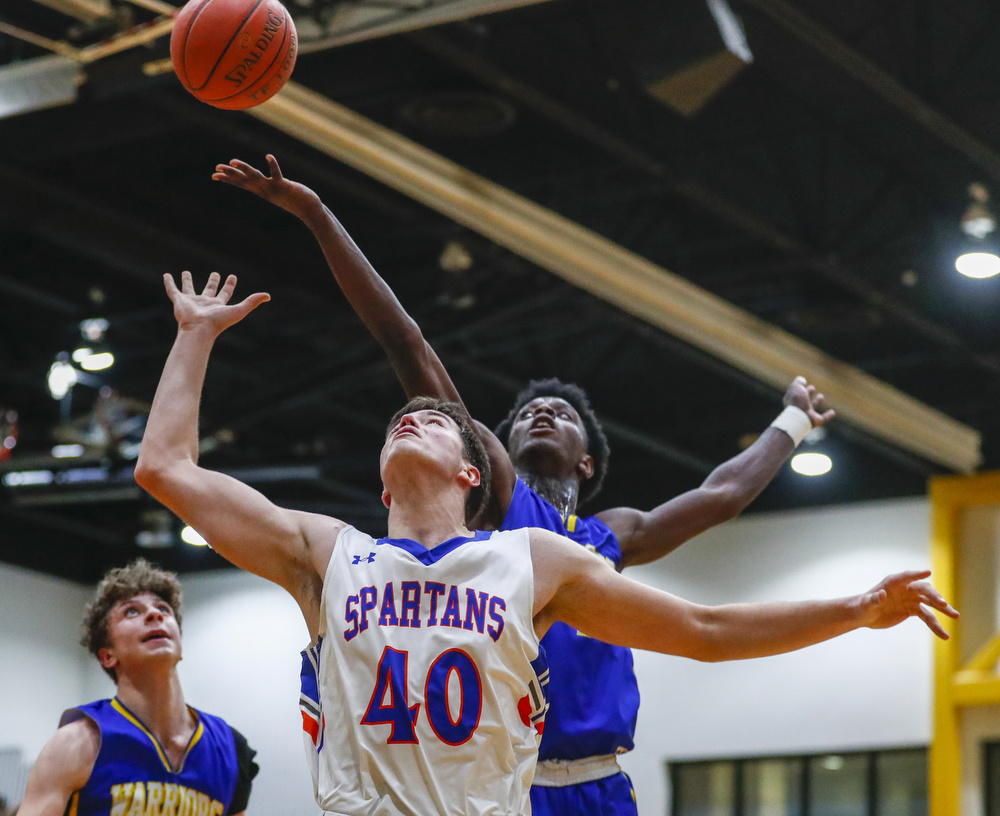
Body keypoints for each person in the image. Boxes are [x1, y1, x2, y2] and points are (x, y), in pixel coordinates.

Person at [134, 271, 955, 816]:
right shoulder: (328, 552)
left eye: (433, 421)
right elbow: (165, 468)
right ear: (384, 483)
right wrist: (196, 335)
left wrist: (856, 609)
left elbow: (705, 632)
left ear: (470, 475)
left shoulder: (534, 559)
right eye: (398, 422)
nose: (411, 417)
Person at [212, 155, 837, 814]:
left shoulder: (610, 536)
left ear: (586, 462)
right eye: (525, 414)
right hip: (507, 782)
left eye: (562, 414)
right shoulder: (504, 514)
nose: (542, 412)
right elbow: (407, 344)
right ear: (484, 460)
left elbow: (722, 496)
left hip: (602, 783)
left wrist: (794, 419)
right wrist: (317, 216)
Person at [17, 560, 258, 816]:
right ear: (108, 655)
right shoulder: (78, 742)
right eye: (131, 611)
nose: (155, 615)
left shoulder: (230, 748)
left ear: (179, 643)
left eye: (164, 609)